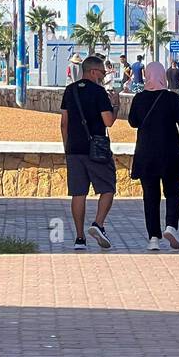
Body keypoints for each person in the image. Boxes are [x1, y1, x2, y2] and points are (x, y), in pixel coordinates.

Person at [129, 61, 179, 250]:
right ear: (163, 77)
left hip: (146, 154)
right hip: (170, 153)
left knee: (150, 196)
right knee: (173, 192)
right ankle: (171, 226)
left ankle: (153, 238)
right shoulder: (172, 98)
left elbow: (133, 122)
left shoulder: (139, 98)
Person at [60, 55, 118, 250]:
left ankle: (79, 239)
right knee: (108, 188)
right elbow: (108, 121)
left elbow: (64, 123)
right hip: (96, 150)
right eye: (102, 72)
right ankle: (98, 224)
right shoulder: (99, 92)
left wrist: (66, 147)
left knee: (78, 194)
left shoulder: (70, 91)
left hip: (74, 149)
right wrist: (115, 104)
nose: (103, 76)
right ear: (93, 72)